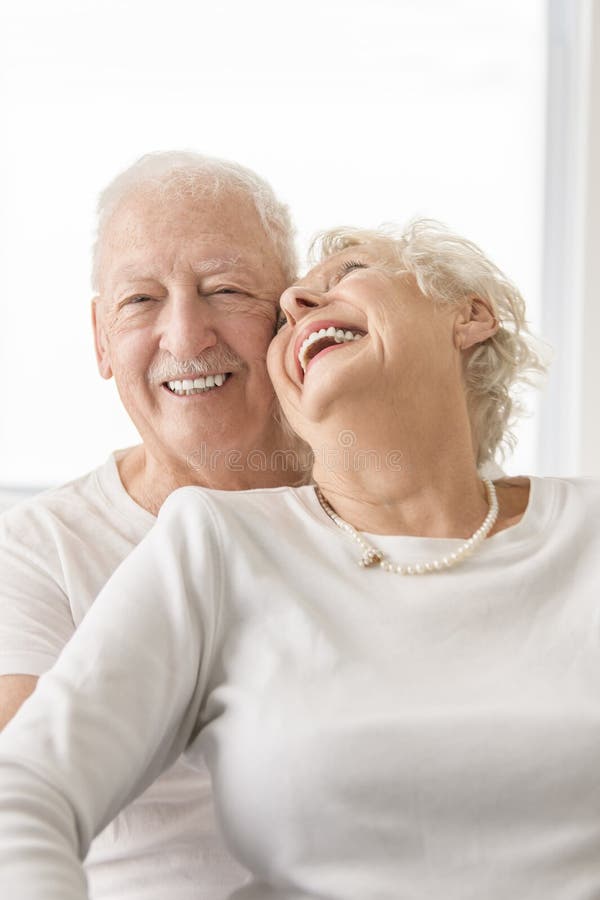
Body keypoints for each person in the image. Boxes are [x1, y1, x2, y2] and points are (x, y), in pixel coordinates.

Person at [1, 219, 588, 900]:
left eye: (345, 275)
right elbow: (24, 784)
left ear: (470, 314)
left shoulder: (586, 532)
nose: (298, 306)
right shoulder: (219, 543)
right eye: (284, 315)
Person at [0, 151, 310, 899]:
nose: (186, 334)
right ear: (102, 339)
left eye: (226, 289)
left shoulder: (377, 505)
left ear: (290, 314)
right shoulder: (40, 550)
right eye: (141, 300)